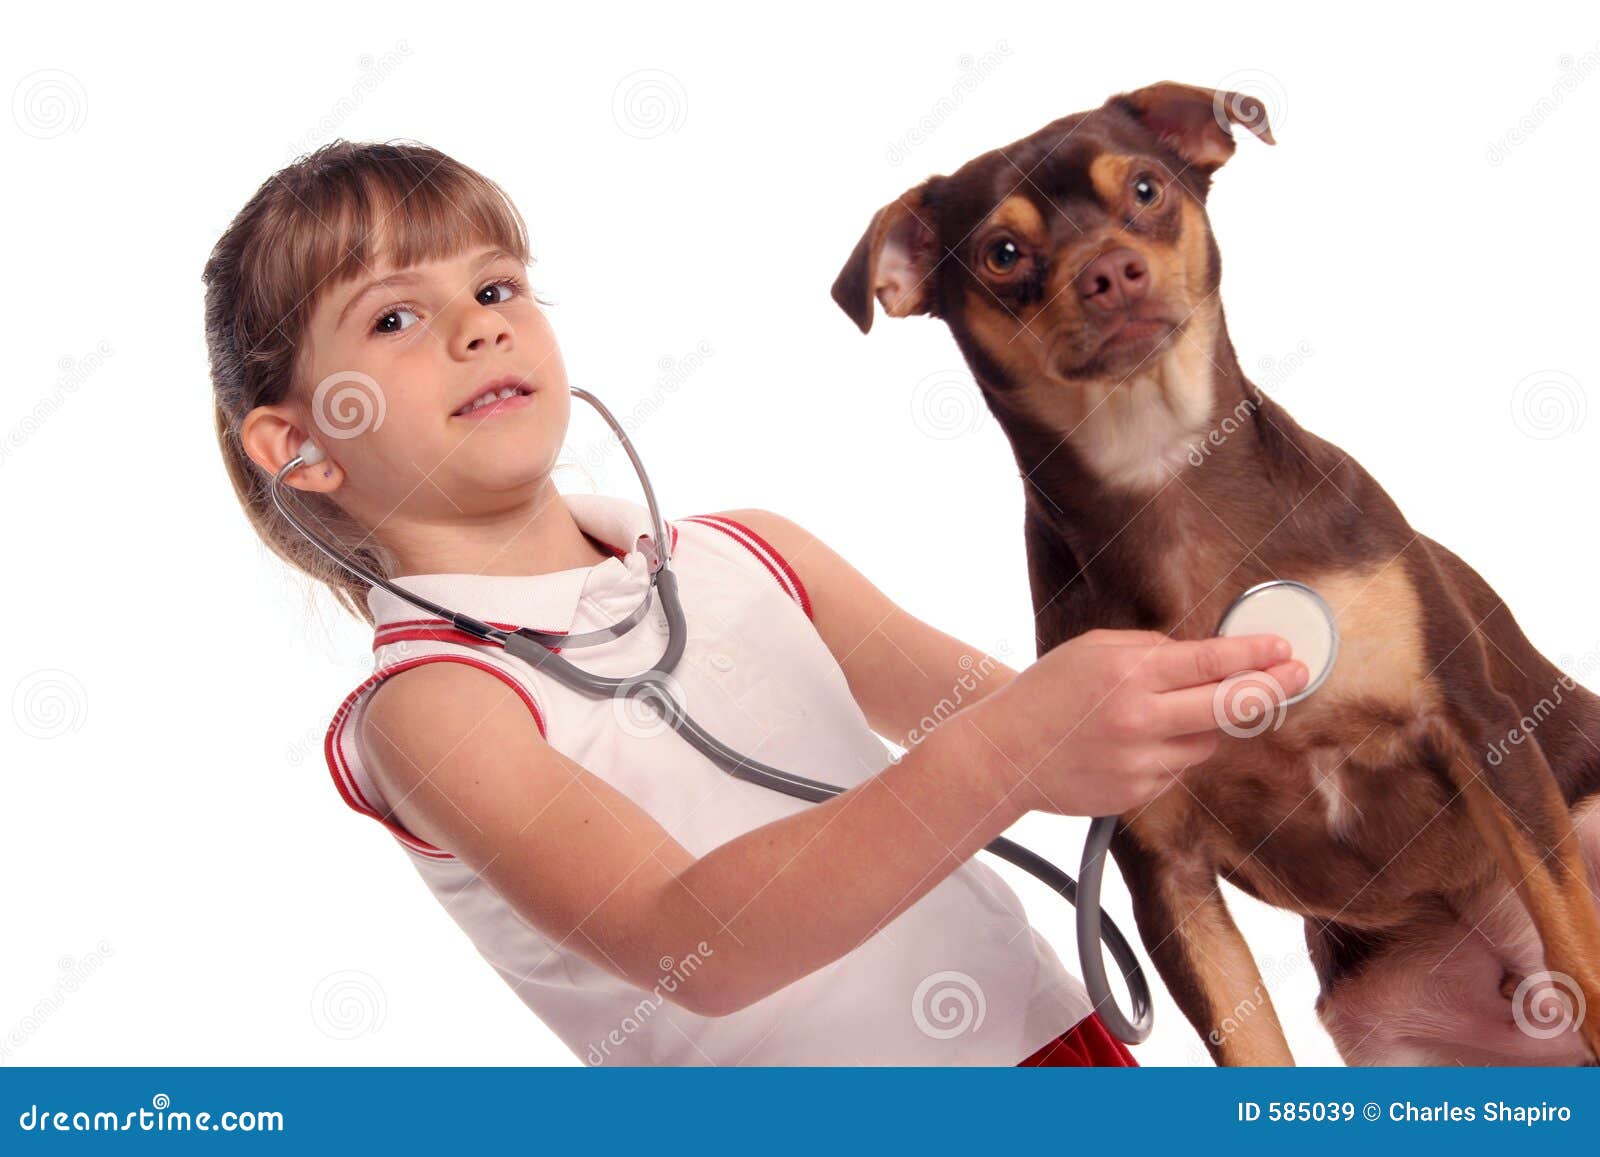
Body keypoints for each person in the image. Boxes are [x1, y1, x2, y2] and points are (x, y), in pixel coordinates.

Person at [203, 139, 1307, 1067]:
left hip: (1054, 1046)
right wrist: (1011, 751)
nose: (478, 328)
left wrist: (1228, 693)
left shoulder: (749, 555)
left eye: (495, 288)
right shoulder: (433, 706)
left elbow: (1034, 719)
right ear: (295, 446)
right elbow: (691, 942)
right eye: (394, 319)